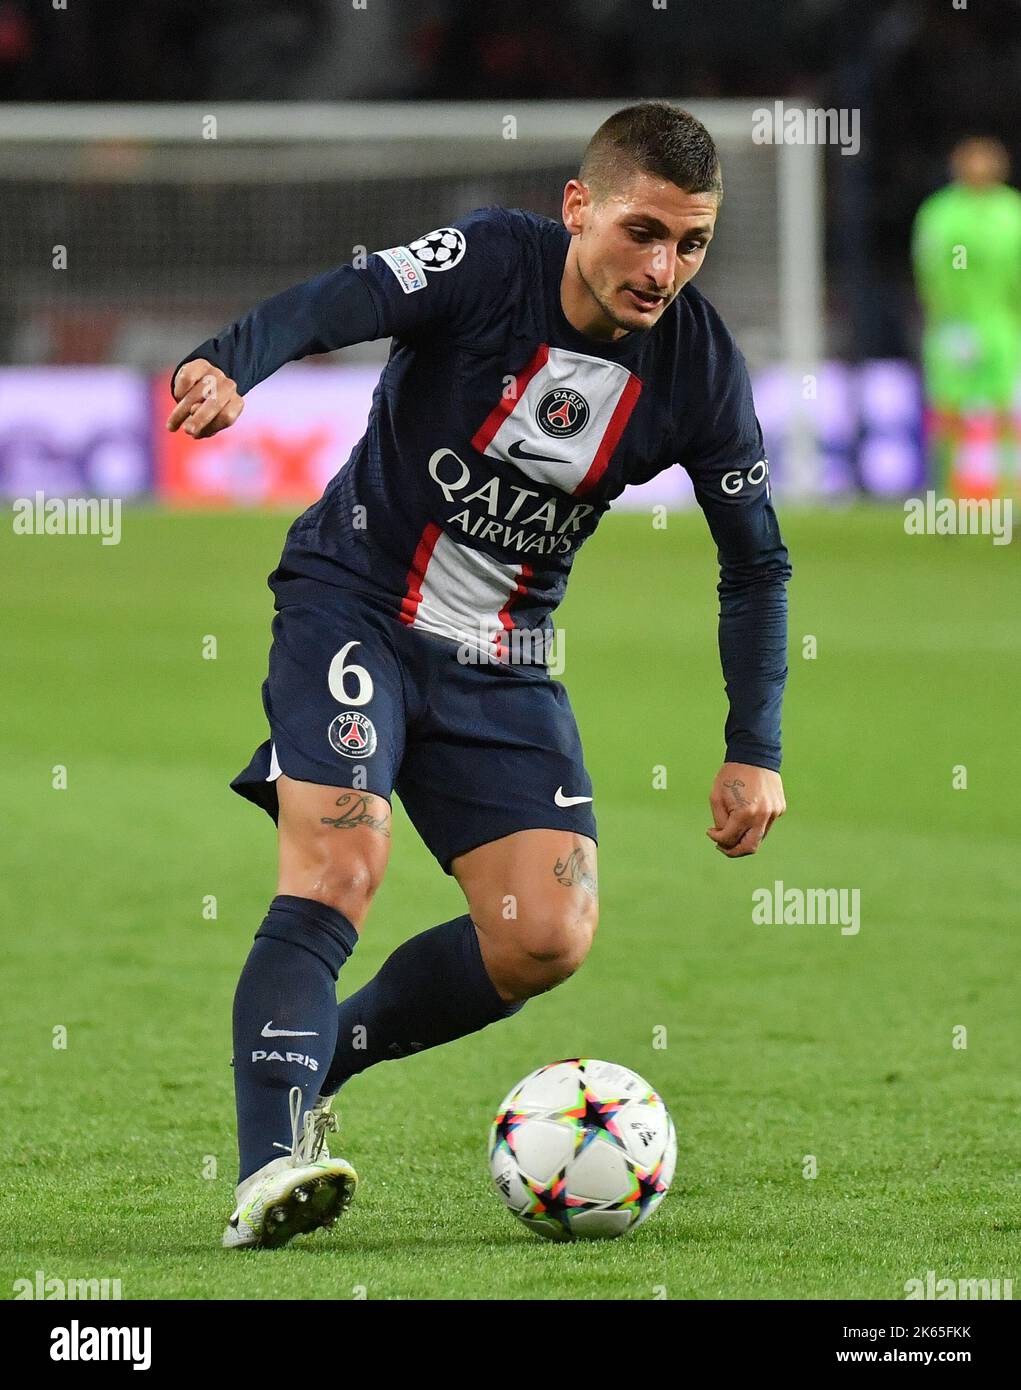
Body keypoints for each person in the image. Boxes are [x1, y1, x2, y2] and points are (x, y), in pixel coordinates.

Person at [167, 101, 791, 1249]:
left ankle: (316, 1059)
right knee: (339, 864)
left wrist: (754, 743)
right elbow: (341, 300)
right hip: (351, 603)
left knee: (544, 935)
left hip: (503, 657)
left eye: (691, 242)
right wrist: (229, 360)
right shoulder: (489, 260)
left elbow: (755, 565)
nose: (663, 267)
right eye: (642, 232)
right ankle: (265, 1169)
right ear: (577, 208)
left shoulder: (698, 366)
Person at [911, 137, 1021, 497]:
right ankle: (944, 492)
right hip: (953, 324)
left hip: (1003, 322)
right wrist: (941, 314)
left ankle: (1008, 492)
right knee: (948, 410)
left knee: (1007, 410)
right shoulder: (940, 213)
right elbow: (929, 272)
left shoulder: (1012, 211)